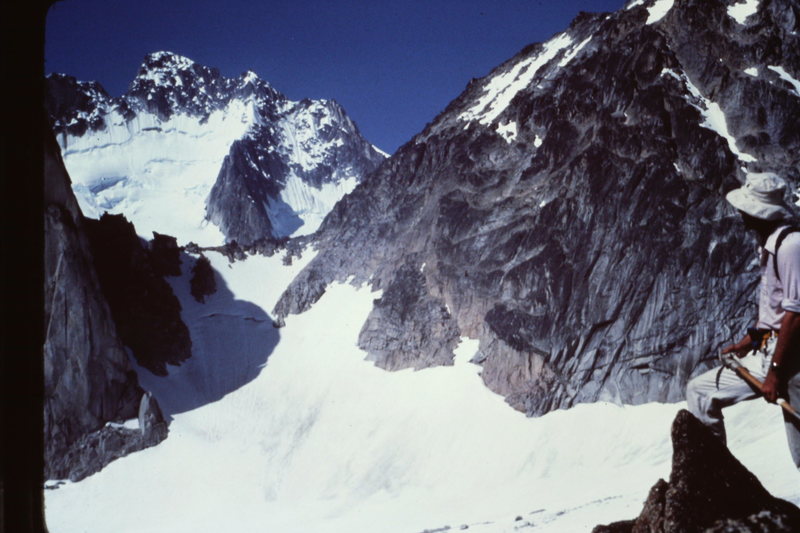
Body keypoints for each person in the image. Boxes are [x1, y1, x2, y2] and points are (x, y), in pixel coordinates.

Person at [686, 171, 800, 469]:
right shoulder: (772, 244)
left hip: (791, 363)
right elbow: (774, 315)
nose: (740, 214)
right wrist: (747, 342)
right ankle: (716, 477)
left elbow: (795, 315)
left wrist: (775, 373)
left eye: (746, 209)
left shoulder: (791, 246)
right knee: (700, 392)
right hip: (770, 354)